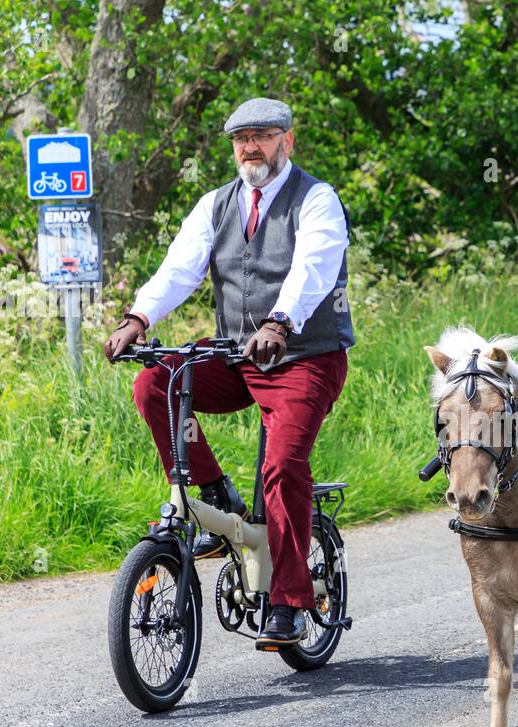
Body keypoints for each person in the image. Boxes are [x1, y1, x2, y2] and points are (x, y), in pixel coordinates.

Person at [103, 96, 353, 649]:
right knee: (156, 381)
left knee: (284, 465)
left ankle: (289, 602)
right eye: (241, 139)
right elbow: (179, 268)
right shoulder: (216, 205)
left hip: (303, 357)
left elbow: (313, 266)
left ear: (288, 140)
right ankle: (214, 493)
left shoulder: (316, 200)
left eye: (262, 136)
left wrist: (280, 322)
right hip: (241, 356)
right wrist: (138, 318)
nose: (250, 148)